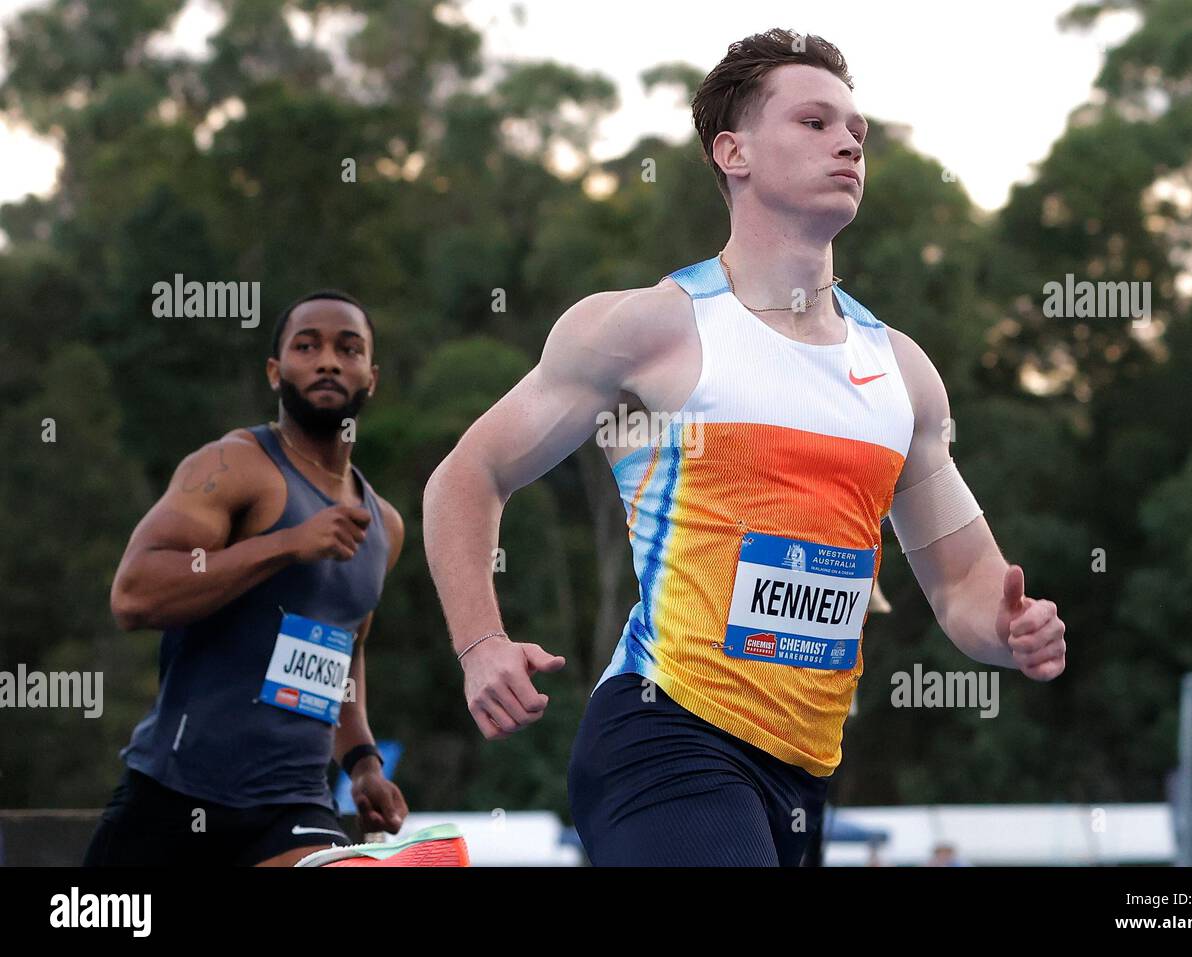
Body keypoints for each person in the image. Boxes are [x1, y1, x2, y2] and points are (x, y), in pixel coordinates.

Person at [423, 29, 1067, 866]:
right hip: (664, 734)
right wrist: (481, 643)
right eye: (813, 121)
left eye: (856, 132)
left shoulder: (902, 371)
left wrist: (1010, 630)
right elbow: (468, 474)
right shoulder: (652, 328)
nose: (847, 142)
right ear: (733, 152)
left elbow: (965, 584)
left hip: (801, 774)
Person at [85, 290, 411, 867]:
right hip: (178, 793)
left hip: (295, 805)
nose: (328, 361)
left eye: (348, 348)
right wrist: (286, 545)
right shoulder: (232, 466)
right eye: (306, 346)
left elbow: (342, 650)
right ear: (274, 370)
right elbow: (134, 594)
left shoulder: (382, 524)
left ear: (371, 376)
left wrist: (362, 762)